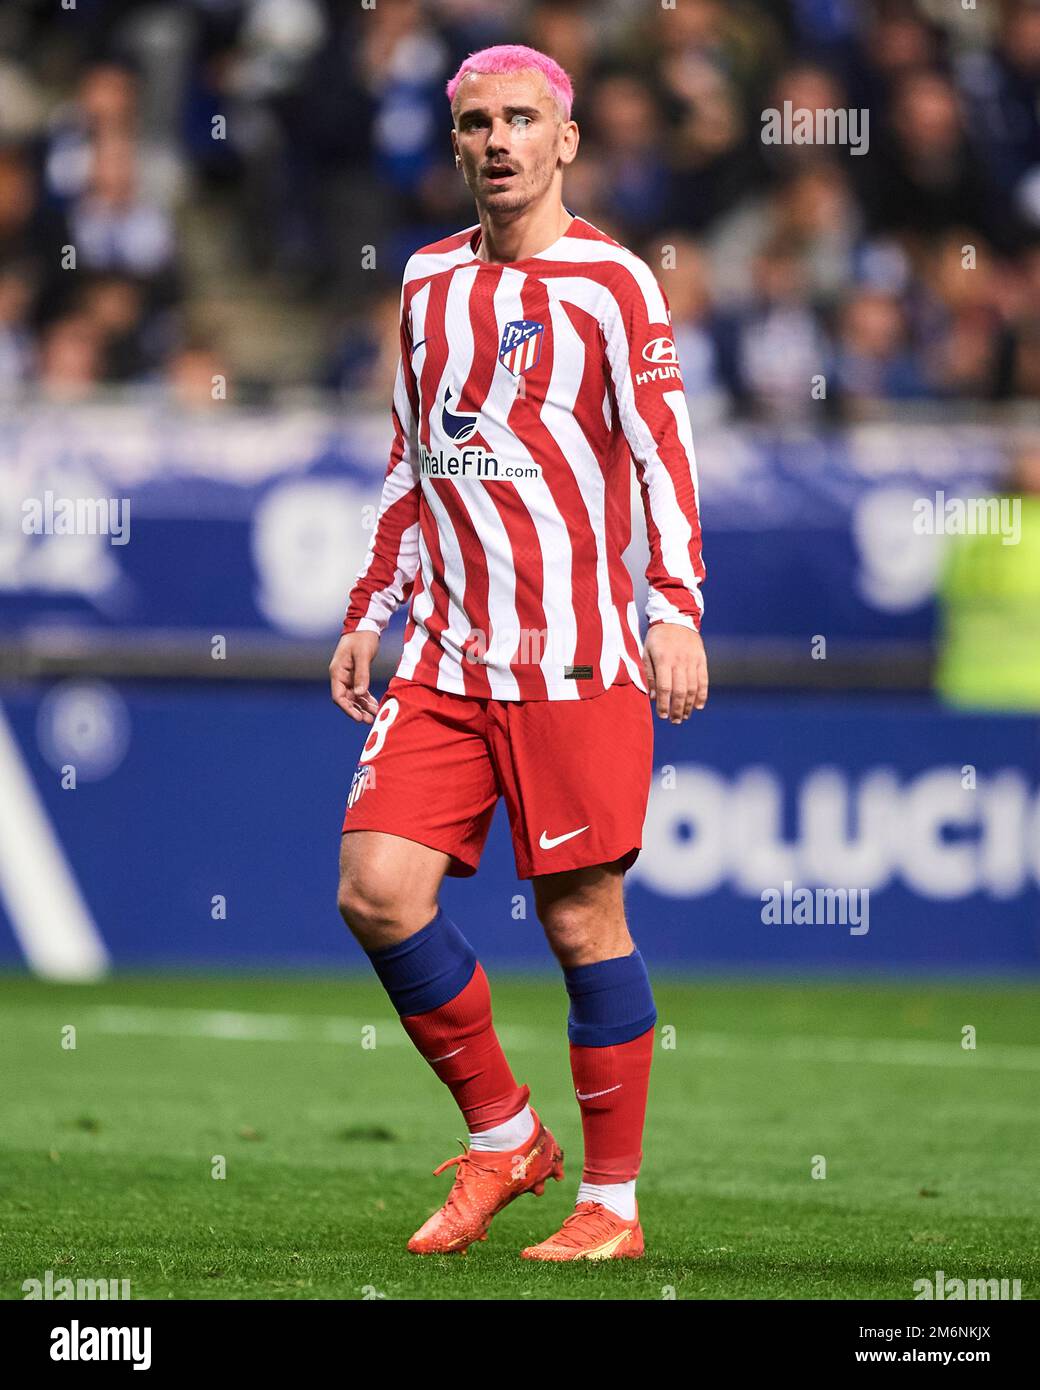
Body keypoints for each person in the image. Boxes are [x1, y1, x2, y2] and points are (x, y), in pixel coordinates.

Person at [329, 43, 707, 1262]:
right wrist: (367, 607)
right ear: (454, 143)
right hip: (444, 656)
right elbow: (410, 458)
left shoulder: (614, 286)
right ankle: (503, 1137)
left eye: (521, 121)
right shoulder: (426, 280)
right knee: (376, 894)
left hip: (576, 659)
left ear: (566, 141)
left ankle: (613, 1205)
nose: (497, 142)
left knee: (580, 918)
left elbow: (661, 452)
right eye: (477, 123)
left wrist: (674, 605)